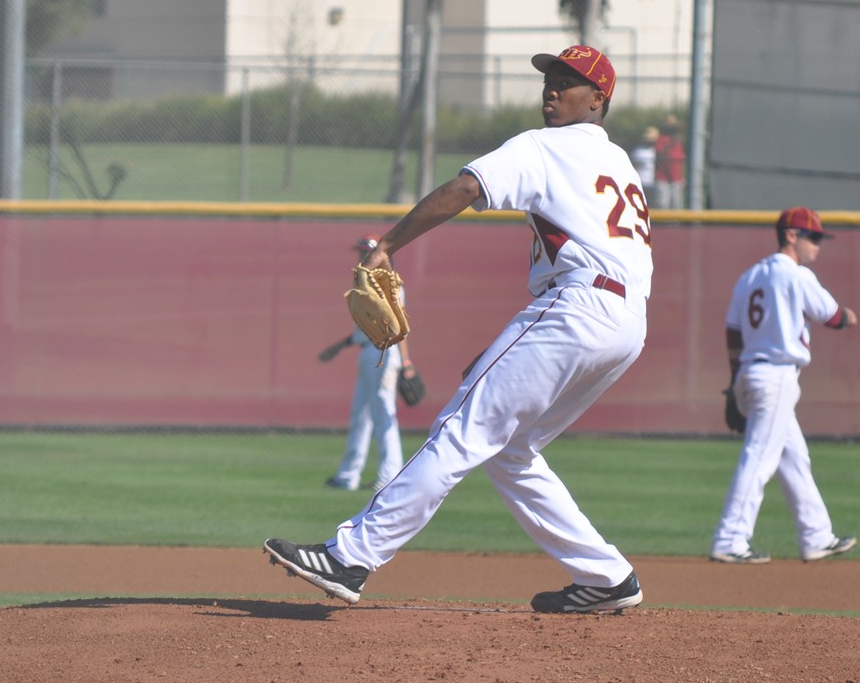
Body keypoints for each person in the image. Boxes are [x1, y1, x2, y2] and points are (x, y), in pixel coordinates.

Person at [265, 44, 654, 614]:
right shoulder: (621, 163)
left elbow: (467, 187)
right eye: (549, 78)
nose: (551, 89)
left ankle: (351, 556)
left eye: (567, 81)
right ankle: (607, 575)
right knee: (511, 450)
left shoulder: (545, 145)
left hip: (579, 306)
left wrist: (388, 244)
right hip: (626, 323)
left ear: (597, 99)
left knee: (460, 429)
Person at [710, 206, 858, 564]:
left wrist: (734, 385)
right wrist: (849, 317)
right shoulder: (796, 274)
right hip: (775, 377)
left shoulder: (749, 276)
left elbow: (733, 333)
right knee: (759, 457)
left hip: (750, 374)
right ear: (791, 235)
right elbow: (833, 316)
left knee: (794, 457)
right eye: (813, 237)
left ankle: (816, 536)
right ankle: (730, 539)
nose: (818, 244)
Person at [318, 236, 408, 492]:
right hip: (368, 352)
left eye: (365, 252)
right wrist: (339, 346)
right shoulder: (365, 282)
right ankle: (348, 476)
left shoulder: (389, 284)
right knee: (360, 416)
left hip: (385, 353)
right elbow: (364, 329)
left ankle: (390, 476)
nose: (360, 257)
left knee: (383, 414)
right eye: (360, 253)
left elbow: (399, 326)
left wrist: (406, 362)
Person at [653, 115, 685, 210]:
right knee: (662, 203)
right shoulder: (661, 139)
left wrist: (682, 176)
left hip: (676, 177)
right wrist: (670, 143)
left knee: (676, 203)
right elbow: (659, 154)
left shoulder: (679, 142)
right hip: (663, 176)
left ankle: (676, 221)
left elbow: (681, 161)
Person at [631, 126, 660, 204]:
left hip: (653, 183)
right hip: (641, 182)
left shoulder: (656, 151)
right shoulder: (639, 151)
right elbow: (635, 167)